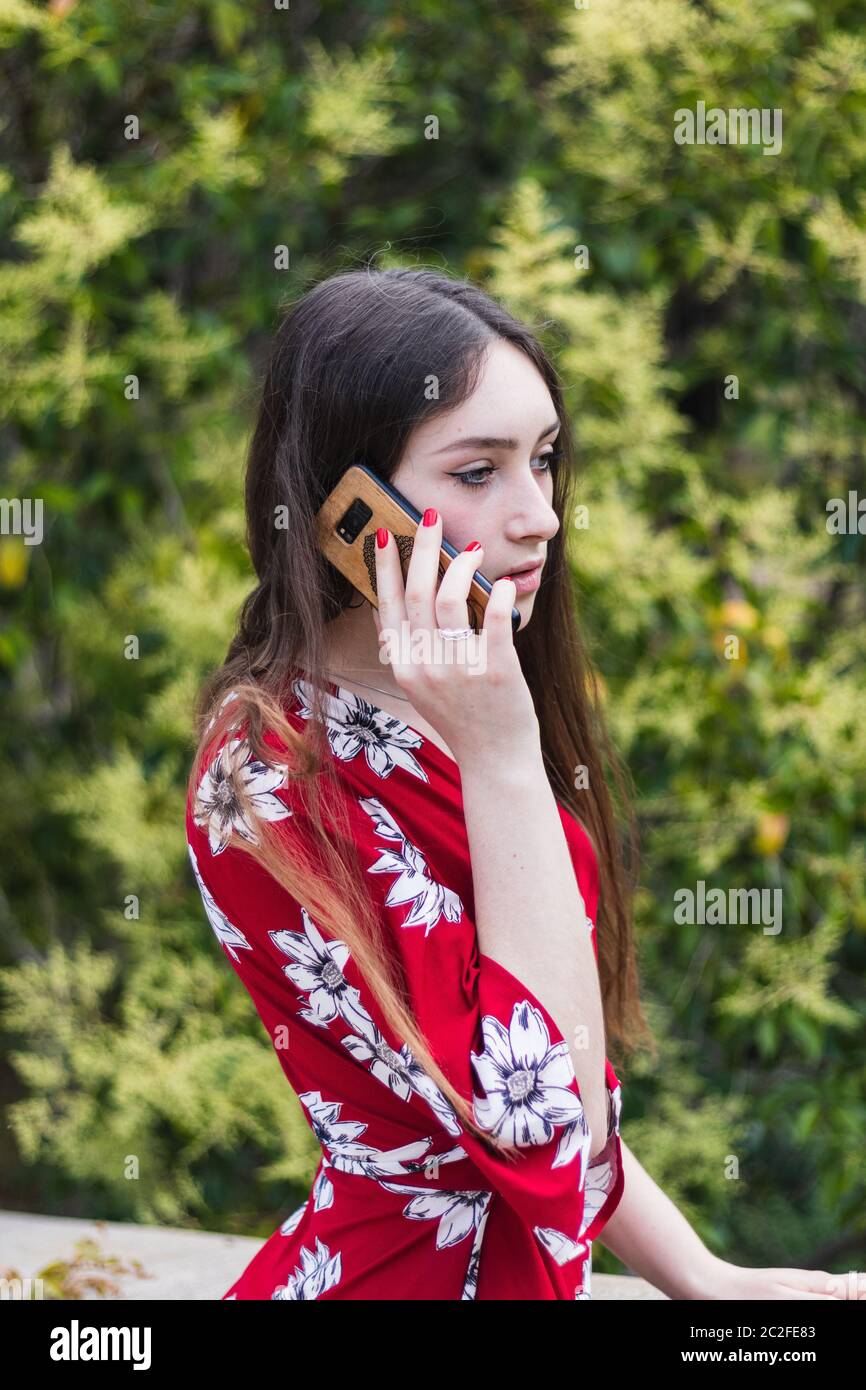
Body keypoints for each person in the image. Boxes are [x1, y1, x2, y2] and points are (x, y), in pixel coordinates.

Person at [185, 267, 859, 1301]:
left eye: (542, 461)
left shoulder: (457, 690)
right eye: (476, 471)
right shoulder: (263, 775)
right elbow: (533, 1117)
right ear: (347, 505)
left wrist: (701, 1276)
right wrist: (502, 759)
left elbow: (558, 1060)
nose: (538, 514)